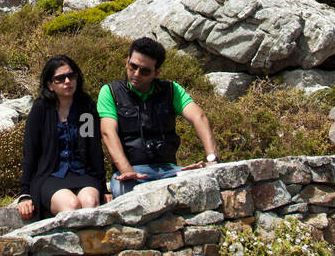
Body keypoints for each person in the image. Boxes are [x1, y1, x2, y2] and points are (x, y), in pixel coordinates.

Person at [98, 36, 218, 198]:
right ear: (127, 61)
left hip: (170, 169)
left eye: (145, 71)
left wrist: (212, 159)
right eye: (133, 66)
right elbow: (108, 133)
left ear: (157, 73)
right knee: (127, 196)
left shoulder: (171, 89)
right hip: (131, 171)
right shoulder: (110, 92)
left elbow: (199, 117)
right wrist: (127, 170)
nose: (136, 73)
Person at [15, 56, 106, 221]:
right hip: (51, 176)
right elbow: (30, 152)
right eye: (60, 78)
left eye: (72, 76)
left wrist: (103, 189)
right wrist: (24, 194)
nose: (67, 81)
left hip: (82, 173)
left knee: (90, 202)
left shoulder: (85, 108)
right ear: (50, 85)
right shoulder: (41, 109)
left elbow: (94, 149)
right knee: (71, 205)